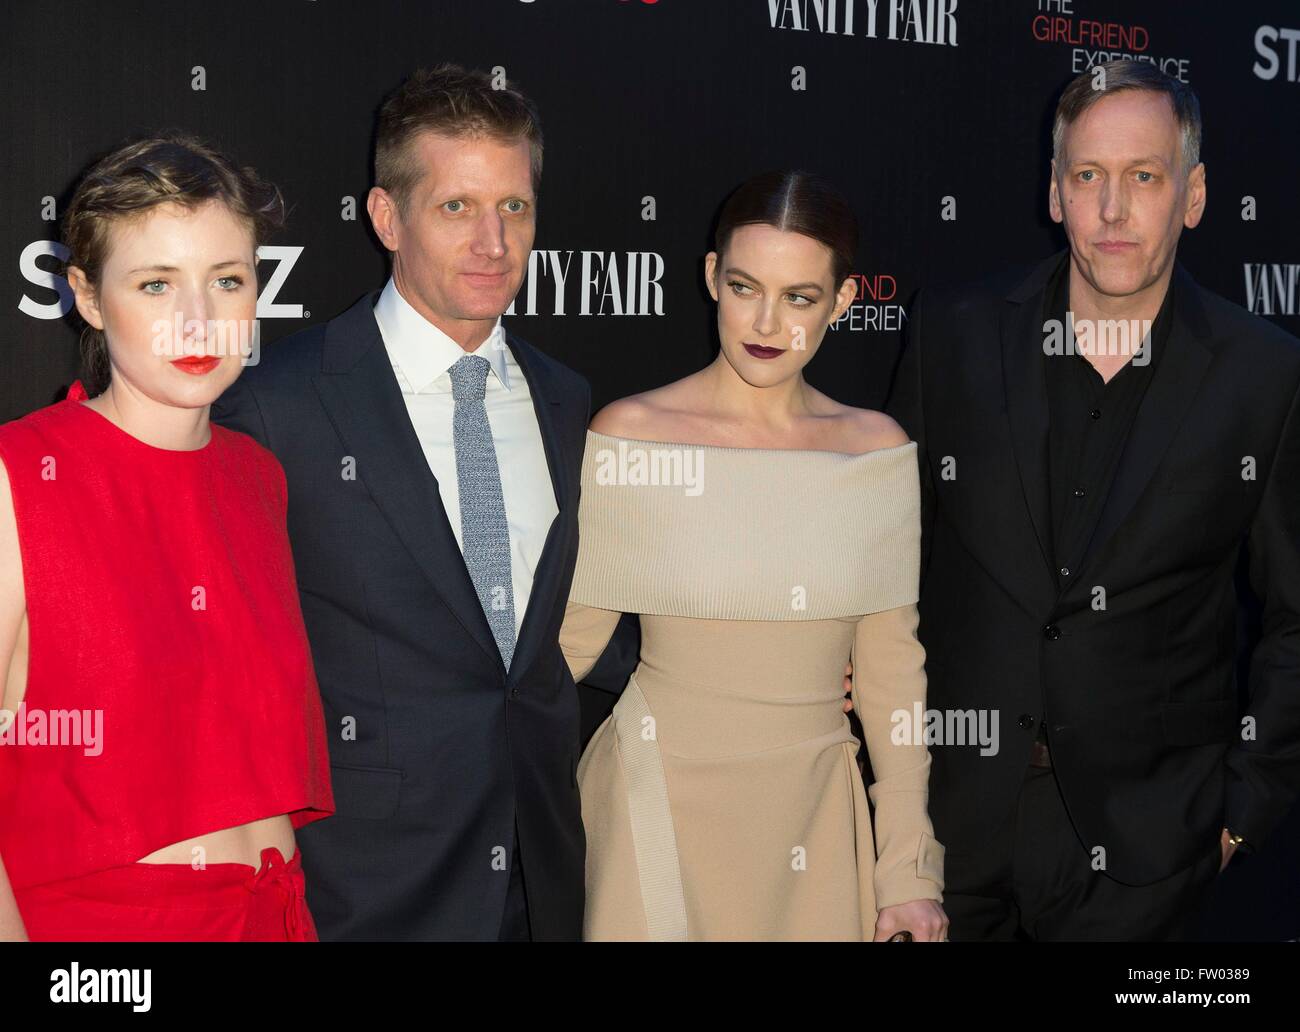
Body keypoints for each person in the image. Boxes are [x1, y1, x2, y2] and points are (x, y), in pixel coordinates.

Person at [212, 64, 629, 940]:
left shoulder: (565, 400)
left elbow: (544, 636)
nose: (493, 242)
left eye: (514, 207)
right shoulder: (281, 406)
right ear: (386, 217)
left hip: (543, 873)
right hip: (365, 887)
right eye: (455, 207)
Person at [886, 59, 1300, 940]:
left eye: (1143, 178)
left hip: (1153, 857)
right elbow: (884, 561)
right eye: (1088, 177)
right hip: (950, 839)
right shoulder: (951, 337)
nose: (1113, 211)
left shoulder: (1265, 375)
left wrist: (1238, 815)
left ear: (1191, 196)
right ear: (1053, 192)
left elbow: (1296, 617)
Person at [559, 170, 948, 941]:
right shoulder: (633, 435)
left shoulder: (873, 453)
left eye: (800, 298)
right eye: (745, 286)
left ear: (842, 301)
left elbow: (891, 682)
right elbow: (568, 644)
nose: (767, 321)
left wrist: (909, 871)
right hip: (655, 793)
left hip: (814, 815)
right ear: (711, 278)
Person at [0, 131, 334, 941]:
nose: (199, 320)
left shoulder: (257, 478)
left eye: (227, 280)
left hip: (274, 912)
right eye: (155, 284)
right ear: (85, 296)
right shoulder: (19, 475)